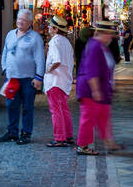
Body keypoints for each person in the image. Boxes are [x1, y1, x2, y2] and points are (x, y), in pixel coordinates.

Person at [0, 7, 44, 144]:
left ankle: (26, 133)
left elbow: (40, 58)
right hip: (11, 77)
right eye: (19, 19)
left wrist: (38, 77)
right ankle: (12, 132)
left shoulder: (35, 38)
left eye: (24, 20)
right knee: (11, 105)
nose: (21, 22)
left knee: (27, 107)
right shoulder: (10, 34)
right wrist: (5, 68)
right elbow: (5, 53)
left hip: (28, 79)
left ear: (30, 22)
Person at [76, 21, 119, 156]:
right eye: (109, 34)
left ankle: (109, 142)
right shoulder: (95, 46)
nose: (111, 38)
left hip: (101, 89)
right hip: (91, 90)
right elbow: (92, 70)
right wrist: (96, 90)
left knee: (103, 115)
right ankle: (82, 145)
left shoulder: (101, 46)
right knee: (88, 117)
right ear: (101, 33)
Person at [44, 15, 75, 147]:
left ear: (56, 29)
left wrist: (48, 71)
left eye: (51, 26)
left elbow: (57, 61)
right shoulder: (66, 42)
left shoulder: (55, 41)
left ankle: (60, 138)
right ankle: (68, 135)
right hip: (64, 80)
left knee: (56, 110)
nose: (48, 28)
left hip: (55, 81)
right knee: (64, 109)